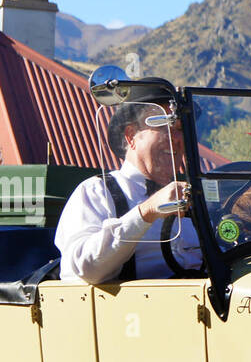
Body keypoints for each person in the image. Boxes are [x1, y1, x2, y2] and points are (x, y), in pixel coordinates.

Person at [55, 99, 203, 282]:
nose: (176, 138)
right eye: (164, 125)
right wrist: (146, 212)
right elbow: (84, 269)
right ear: (131, 136)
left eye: (181, 129)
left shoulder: (195, 195)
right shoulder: (97, 191)